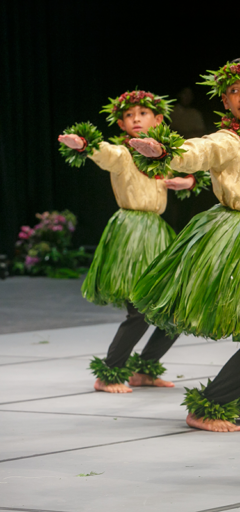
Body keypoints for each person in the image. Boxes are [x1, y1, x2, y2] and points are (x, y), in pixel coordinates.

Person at [129, 59, 240, 431]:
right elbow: (196, 151)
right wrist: (164, 152)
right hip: (234, 240)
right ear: (225, 102)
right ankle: (208, 406)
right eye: (234, 92)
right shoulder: (226, 140)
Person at [58, 90, 198, 393]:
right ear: (121, 124)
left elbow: (186, 171)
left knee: (174, 311)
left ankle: (145, 369)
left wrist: (187, 182)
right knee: (139, 310)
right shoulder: (123, 155)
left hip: (158, 234)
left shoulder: (162, 156)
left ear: (158, 119)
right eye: (129, 115)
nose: (136, 119)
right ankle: (109, 373)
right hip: (132, 233)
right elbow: (104, 152)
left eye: (143, 114)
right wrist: (84, 145)